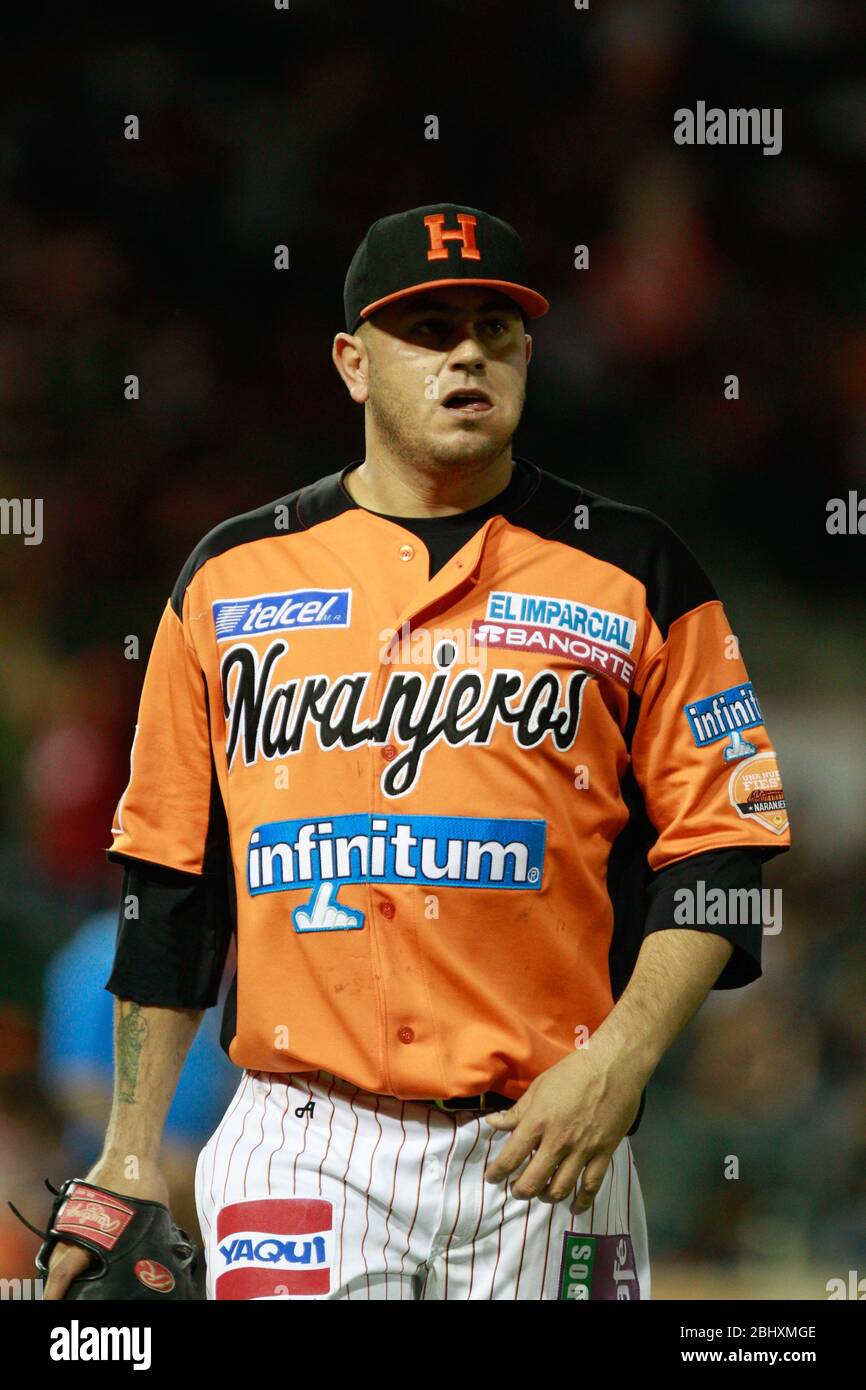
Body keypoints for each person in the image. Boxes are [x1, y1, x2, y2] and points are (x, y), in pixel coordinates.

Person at [43, 203, 791, 1300]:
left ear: (528, 358)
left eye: (494, 331)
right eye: (428, 331)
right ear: (351, 364)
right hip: (304, 1136)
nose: (466, 357)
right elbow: (170, 875)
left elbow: (724, 853)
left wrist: (618, 1065)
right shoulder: (230, 576)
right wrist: (126, 1150)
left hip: (550, 1134)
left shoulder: (636, 568)